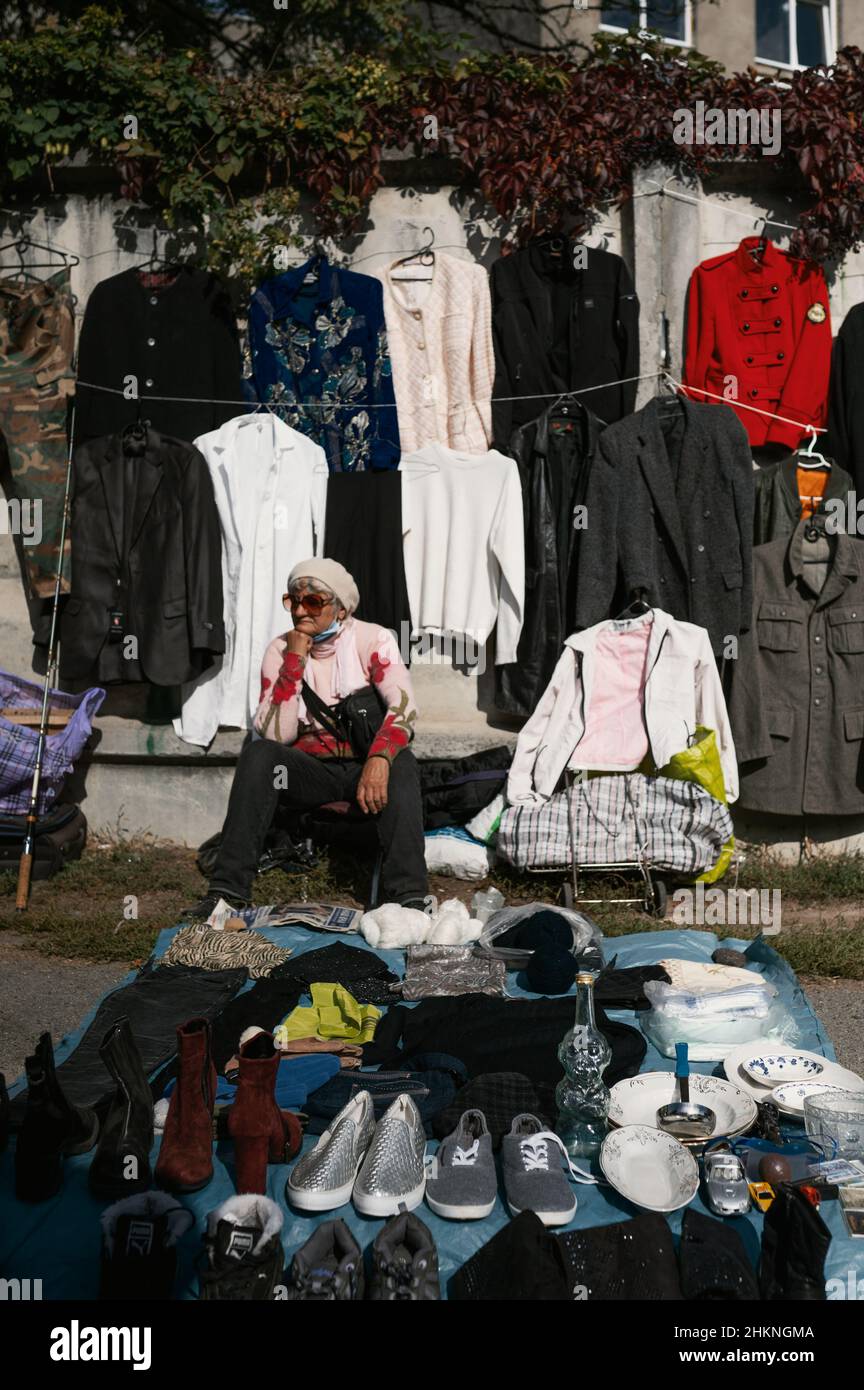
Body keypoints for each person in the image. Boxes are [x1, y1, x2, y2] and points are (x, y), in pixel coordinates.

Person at [183, 558, 429, 918]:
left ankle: (409, 900)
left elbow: (404, 707)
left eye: (313, 602)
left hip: (365, 766)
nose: (300, 610)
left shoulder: (374, 639)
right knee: (259, 754)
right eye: (293, 601)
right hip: (315, 773)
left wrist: (378, 759)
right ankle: (226, 893)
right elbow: (276, 734)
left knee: (403, 761)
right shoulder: (280, 650)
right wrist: (294, 662)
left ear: (341, 608)